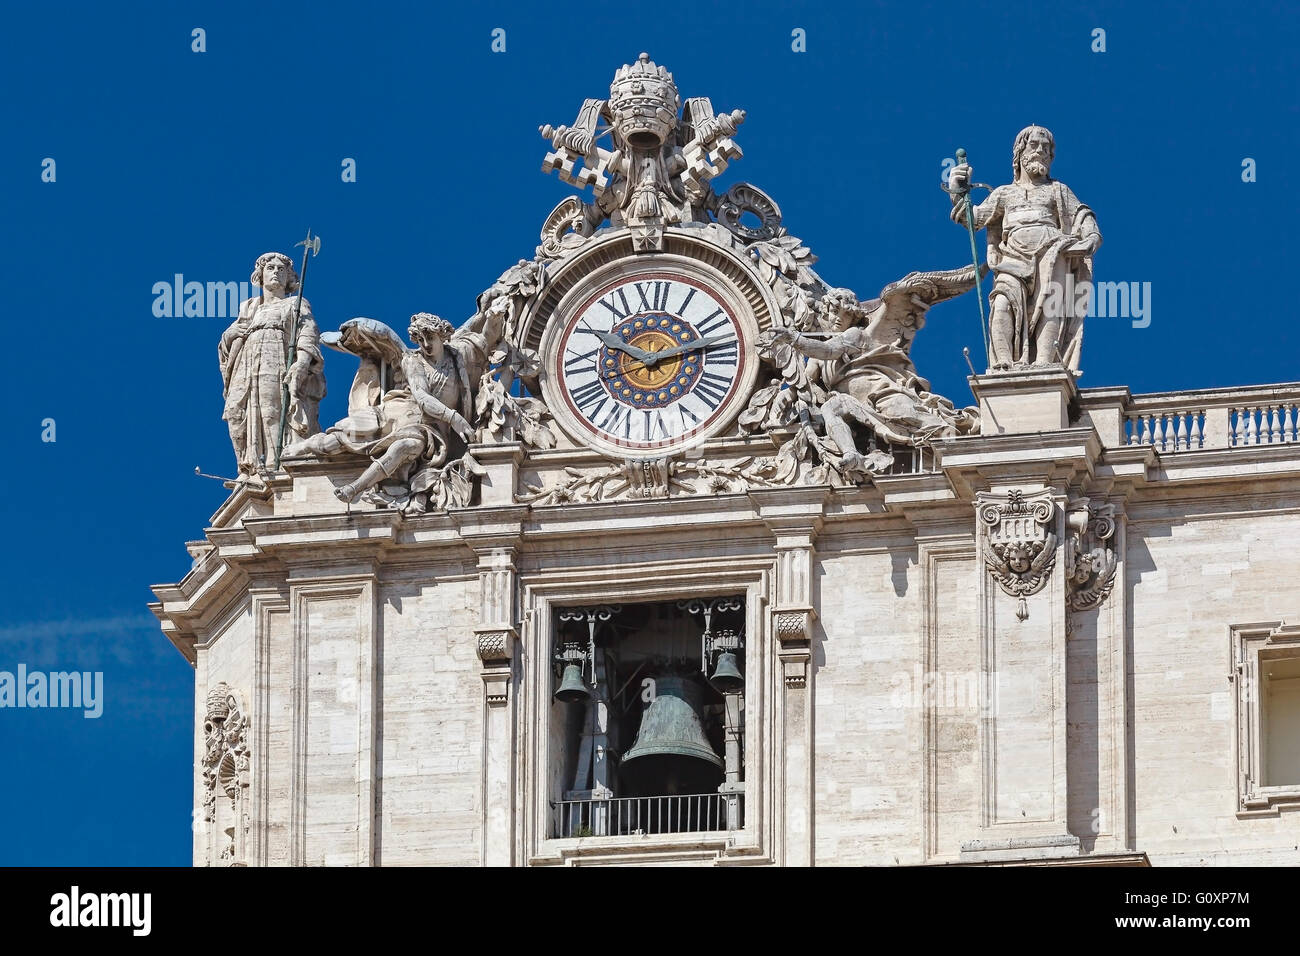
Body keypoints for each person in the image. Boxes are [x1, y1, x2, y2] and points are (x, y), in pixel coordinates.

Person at [948, 126, 1101, 371]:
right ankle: (1003, 365)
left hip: (1052, 251)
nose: (1041, 151)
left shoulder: (1058, 190)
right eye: (1035, 145)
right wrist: (957, 191)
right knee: (1001, 303)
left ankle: (1043, 366)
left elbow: (1081, 215)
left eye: (1047, 148)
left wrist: (1092, 235)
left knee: (1051, 307)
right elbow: (973, 219)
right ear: (1020, 151)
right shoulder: (1004, 193)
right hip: (1011, 257)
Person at [218, 252, 325, 477]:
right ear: (260, 275)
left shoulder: (295, 303)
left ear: (289, 278)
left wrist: (302, 362)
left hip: (274, 354)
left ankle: (274, 468)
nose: (275, 272)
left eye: (281, 269)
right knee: (236, 412)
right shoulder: (248, 307)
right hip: (246, 360)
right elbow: (228, 344)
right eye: (270, 268)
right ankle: (246, 467)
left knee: (271, 412)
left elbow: (308, 332)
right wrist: (229, 335)